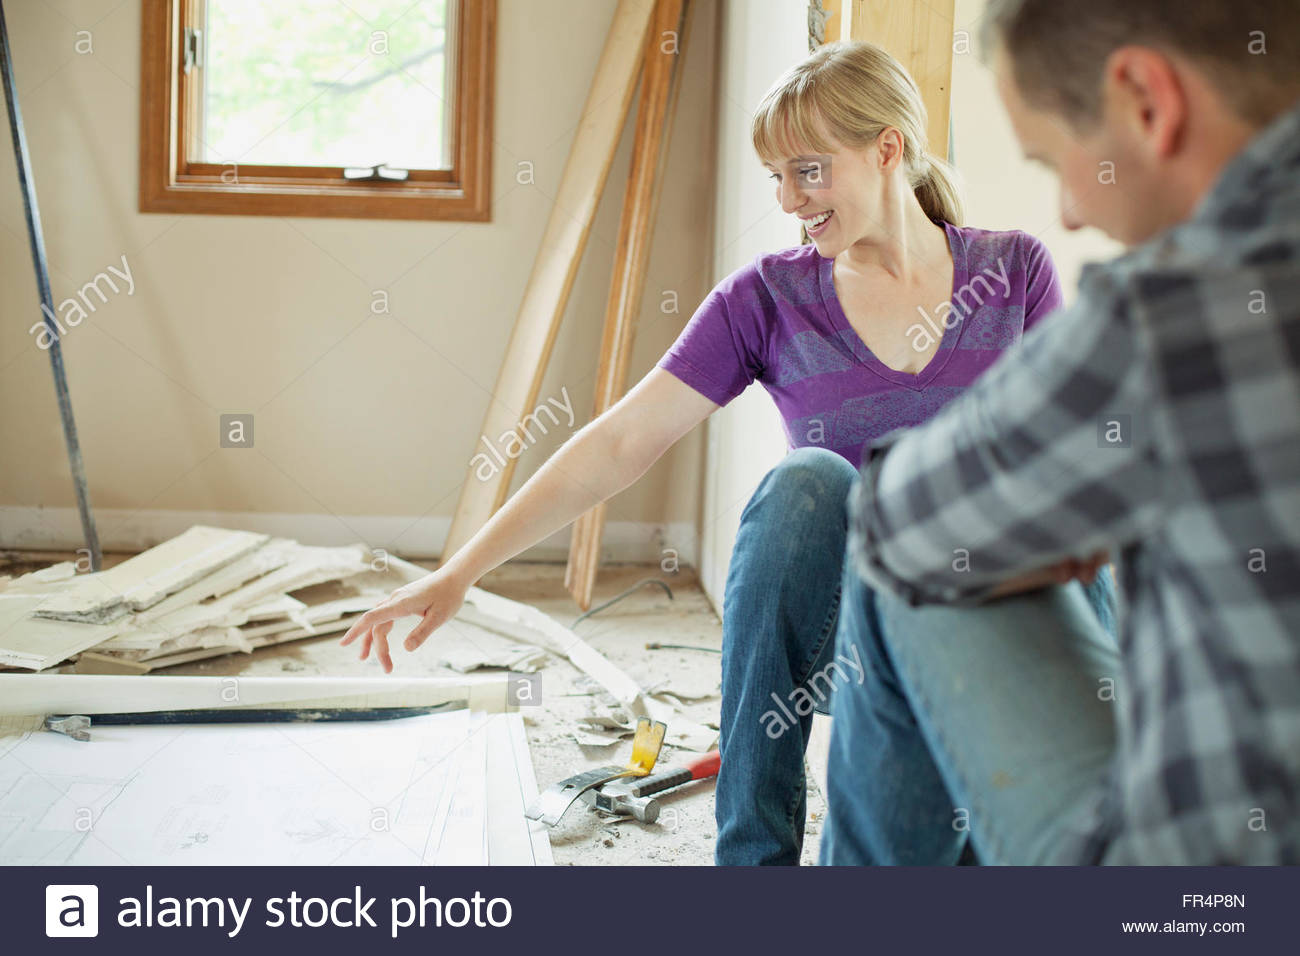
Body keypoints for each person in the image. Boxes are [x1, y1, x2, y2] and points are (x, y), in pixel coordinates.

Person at [339, 41, 1115, 866]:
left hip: (993, 612)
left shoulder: (1014, 272)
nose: (787, 200)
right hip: (857, 633)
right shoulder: (769, 298)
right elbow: (621, 442)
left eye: (807, 172)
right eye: (777, 177)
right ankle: (752, 866)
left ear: (887, 148)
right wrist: (461, 569)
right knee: (808, 483)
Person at [822, 0, 1300, 865]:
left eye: (1054, 162)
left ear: (1147, 100)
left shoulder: (1175, 312)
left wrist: (1049, 520)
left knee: (896, 536)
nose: (1071, 214)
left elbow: (901, 525)